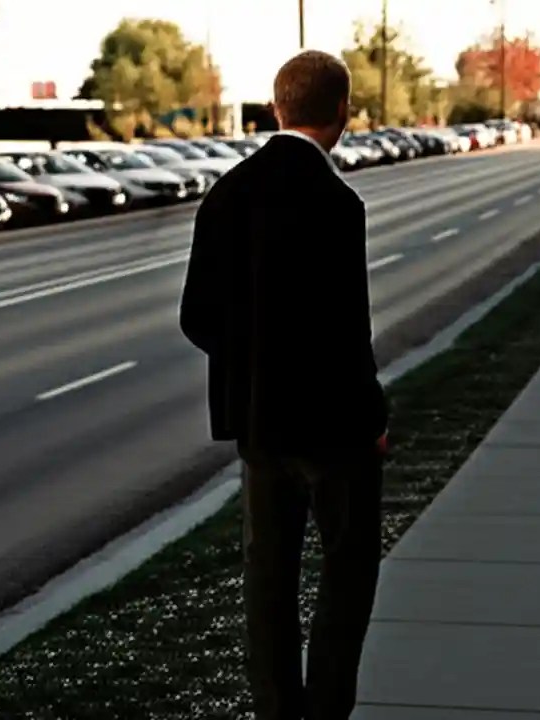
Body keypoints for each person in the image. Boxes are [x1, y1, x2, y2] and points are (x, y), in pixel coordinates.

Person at [180, 50, 389, 720]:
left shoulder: (227, 194)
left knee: (267, 581)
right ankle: (326, 708)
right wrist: (373, 417)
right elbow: (347, 332)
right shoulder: (337, 202)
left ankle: (277, 709)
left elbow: (197, 316)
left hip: (259, 426)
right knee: (347, 571)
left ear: (277, 108)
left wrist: (255, 365)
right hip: (334, 429)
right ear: (342, 112)